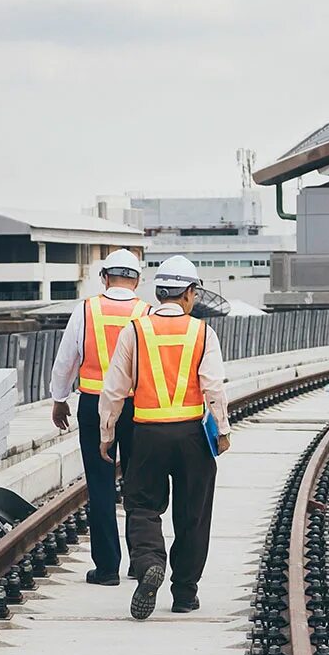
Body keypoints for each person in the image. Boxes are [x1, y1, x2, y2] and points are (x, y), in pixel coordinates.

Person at [98, 255, 231, 620]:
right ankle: (185, 593)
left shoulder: (134, 331)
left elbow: (113, 389)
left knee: (141, 507)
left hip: (146, 435)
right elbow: (214, 387)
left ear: (158, 293)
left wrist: (107, 433)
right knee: (193, 513)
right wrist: (222, 430)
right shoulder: (203, 332)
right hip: (191, 435)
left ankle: (149, 563)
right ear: (189, 293)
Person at [48, 248, 149, 586]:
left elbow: (66, 361)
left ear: (104, 277)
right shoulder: (146, 314)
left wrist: (59, 399)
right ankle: (140, 561)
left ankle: (107, 569)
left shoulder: (86, 310)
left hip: (94, 405)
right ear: (137, 280)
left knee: (101, 485)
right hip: (137, 408)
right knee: (139, 484)